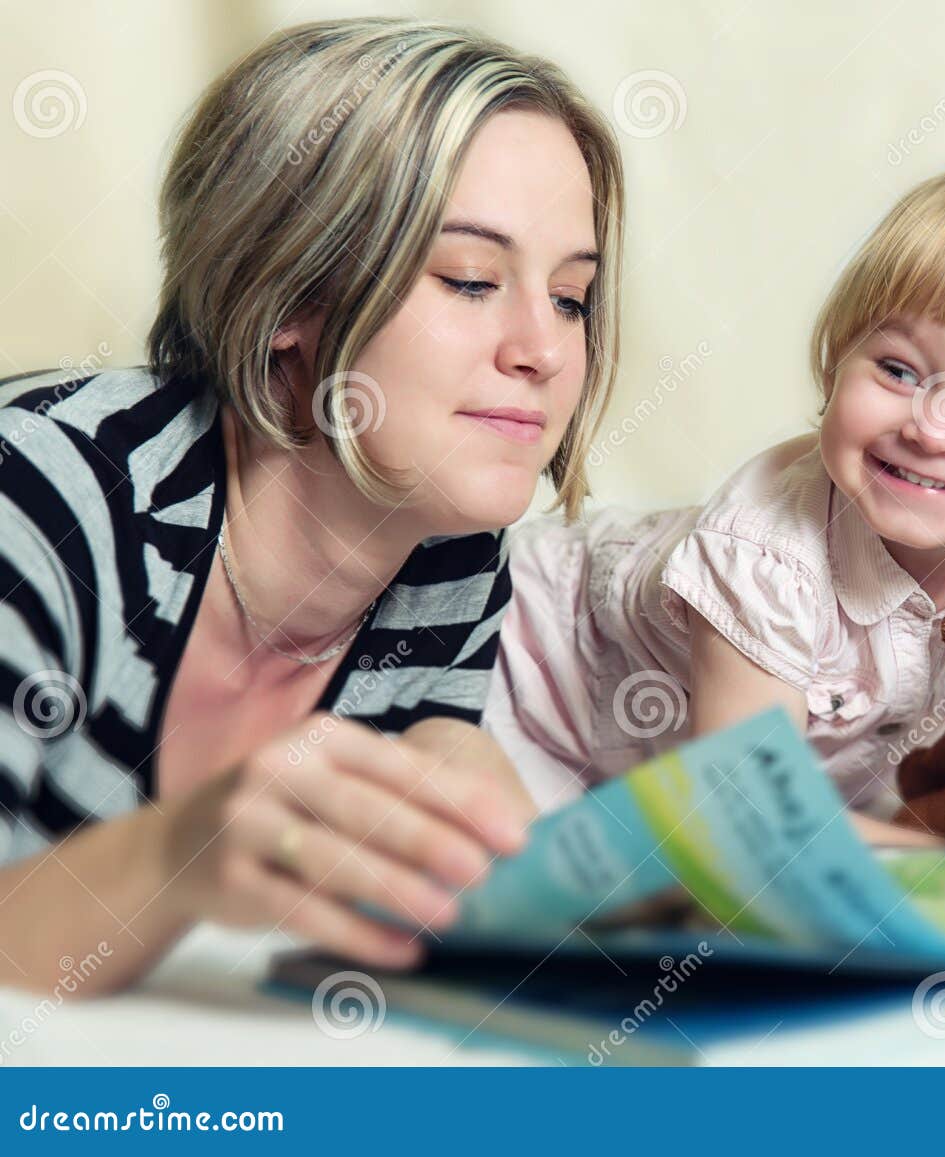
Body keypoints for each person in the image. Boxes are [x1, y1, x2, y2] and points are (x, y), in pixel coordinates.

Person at [0, 17, 625, 994]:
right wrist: (177, 856)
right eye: (468, 279)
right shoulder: (39, 498)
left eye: (572, 298)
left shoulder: (450, 553)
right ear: (287, 291)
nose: (542, 351)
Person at [485, 163, 945, 850]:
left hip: (713, 772)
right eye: (899, 371)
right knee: (518, 875)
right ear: (837, 362)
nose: (934, 427)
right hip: (528, 696)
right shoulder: (767, 555)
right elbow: (745, 819)